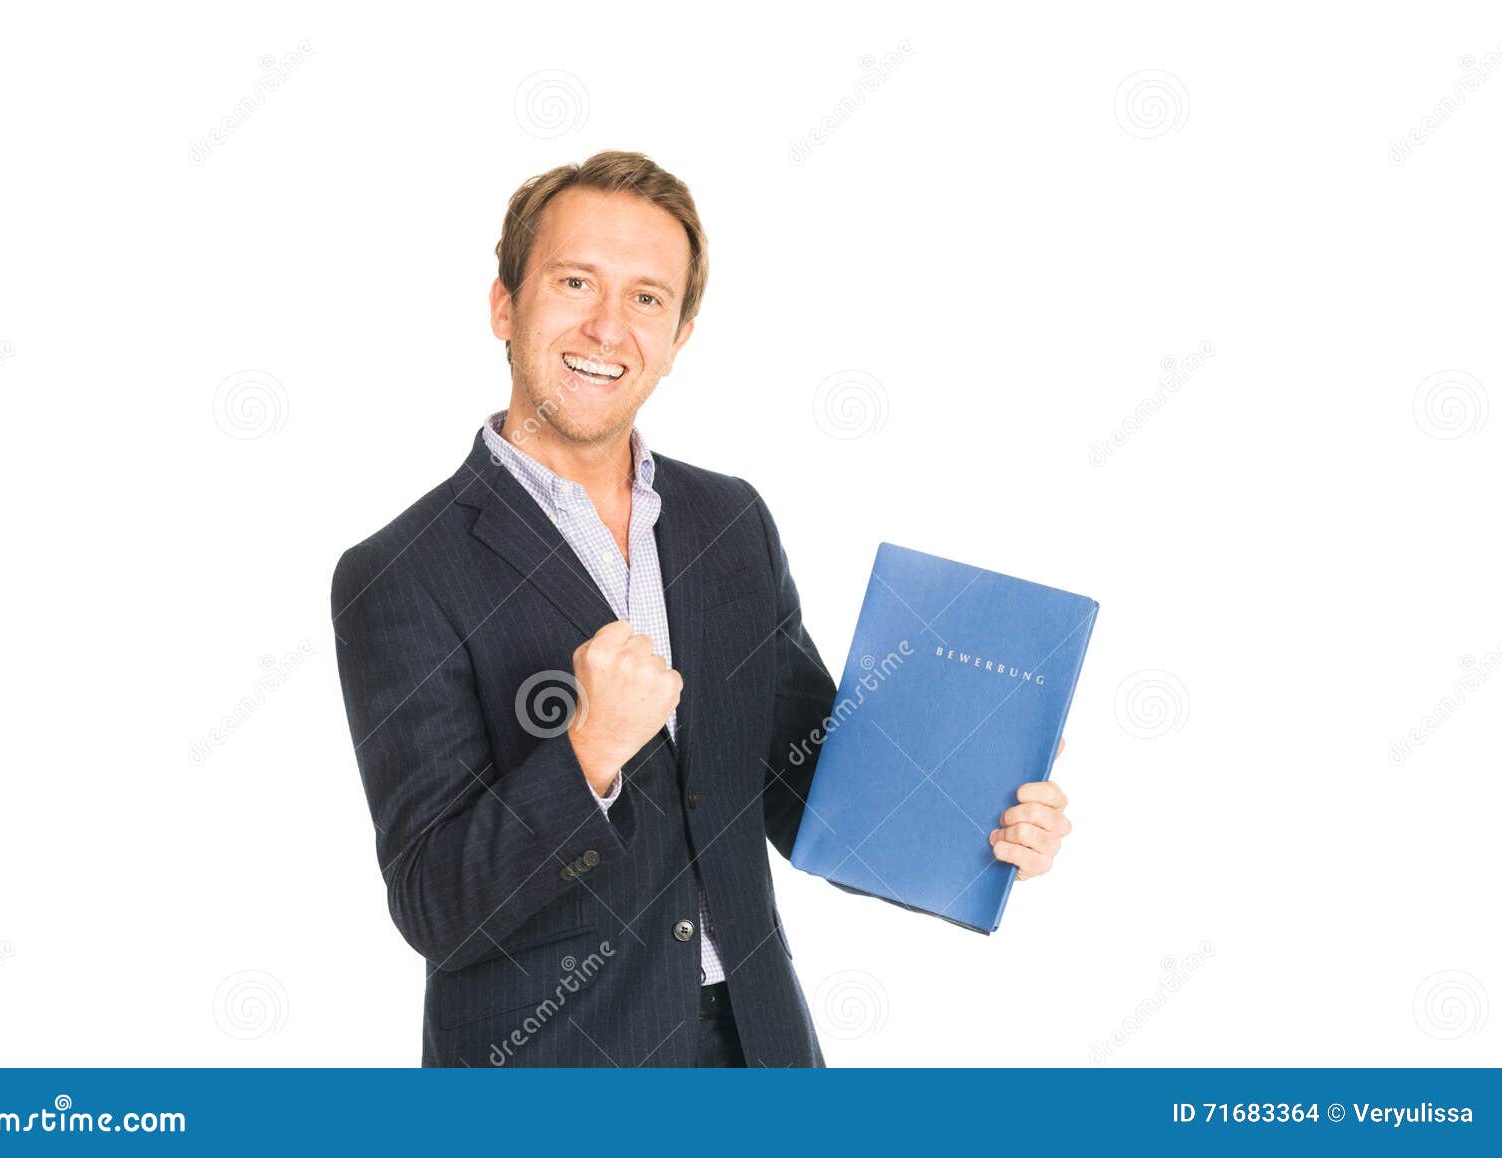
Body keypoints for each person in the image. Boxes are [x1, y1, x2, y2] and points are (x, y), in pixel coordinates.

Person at [329, 150, 1073, 1066]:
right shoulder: (400, 572)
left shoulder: (729, 521)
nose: (608, 327)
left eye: (647, 298)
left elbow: (810, 793)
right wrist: (589, 751)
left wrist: (978, 819)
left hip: (759, 1053)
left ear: (679, 335)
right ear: (504, 307)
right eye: (574, 282)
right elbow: (434, 904)